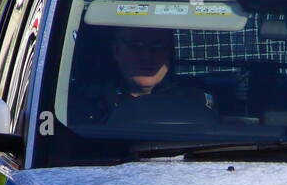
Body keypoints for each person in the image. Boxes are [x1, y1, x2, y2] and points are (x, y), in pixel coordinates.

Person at [72, 25, 218, 128]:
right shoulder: (82, 104)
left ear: (169, 53)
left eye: (158, 47)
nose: (147, 56)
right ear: (116, 49)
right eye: (136, 46)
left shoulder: (195, 102)